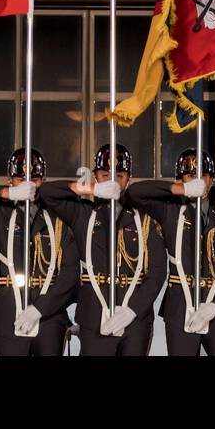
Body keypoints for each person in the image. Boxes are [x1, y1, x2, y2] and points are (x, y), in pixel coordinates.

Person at [40, 143, 167, 356]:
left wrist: (132, 310)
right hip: (94, 316)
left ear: (129, 179)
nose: (112, 180)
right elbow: (47, 192)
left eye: (119, 174)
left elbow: (157, 272)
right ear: (96, 176)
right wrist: (89, 189)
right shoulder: (83, 215)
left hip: (135, 319)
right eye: (105, 174)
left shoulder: (144, 220)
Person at [125, 148, 215, 356]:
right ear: (181, 179)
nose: (198, 181)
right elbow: (134, 193)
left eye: (203, 175)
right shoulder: (170, 213)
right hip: (179, 305)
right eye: (190, 176)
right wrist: (180, 190)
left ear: (212, 179)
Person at [0, 147, 79, 356]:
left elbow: (70, 271)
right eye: (20, 179)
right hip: (8, 314)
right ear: (10, 179)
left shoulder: (58, 216)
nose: (28, 184)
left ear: (43, 180)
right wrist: (8, 193)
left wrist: (41, 308)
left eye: (35, 179)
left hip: (49, 316)